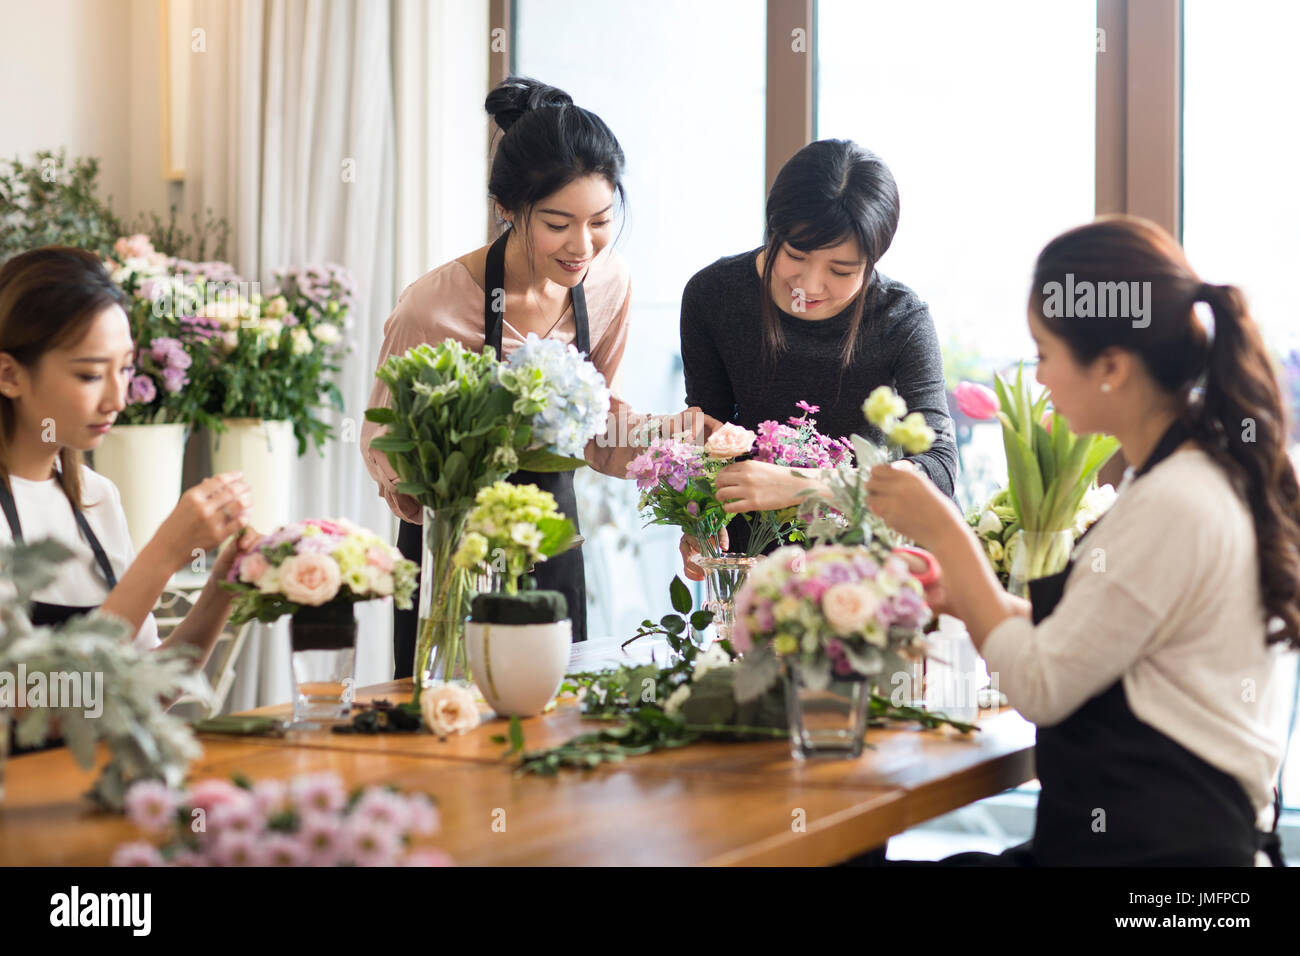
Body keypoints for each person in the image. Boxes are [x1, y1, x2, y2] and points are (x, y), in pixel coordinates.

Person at [861, 215, 1295, 866]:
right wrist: (961, 594)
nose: (1039, 379)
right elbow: (1085, 641)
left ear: (1111, 367)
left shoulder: (1176, 502)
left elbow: (1041, 682)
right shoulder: (1202, 476)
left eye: (1044, 354)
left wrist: (946, 532)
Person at [362, 77, 715, 676]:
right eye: (558, 224)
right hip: (456, 556)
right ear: (507, 209)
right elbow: (383, 449)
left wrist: (670, 436)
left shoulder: (608, 282)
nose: (583, 246)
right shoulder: (432, 308)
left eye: (601, 220)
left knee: (552, 732)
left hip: (555, 543)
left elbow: (600, 432)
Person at [678, 139, 957, 579]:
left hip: (872, 569)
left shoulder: (900, 319)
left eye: (841, 271)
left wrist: (801, 487)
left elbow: (939, 466)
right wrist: (700, 521)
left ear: (873, 260)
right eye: (794, 255)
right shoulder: (714, 296)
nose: (810, 283)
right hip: (758, 570)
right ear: (773, 231)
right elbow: (709, 437)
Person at [0, 247, 261, 706]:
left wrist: (223, 585)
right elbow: (30, 704)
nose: (118, 399)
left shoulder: (97, 498)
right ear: (8, 374)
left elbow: (147, 691)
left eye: (124, 369)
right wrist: (163, 556)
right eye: (89, 374)